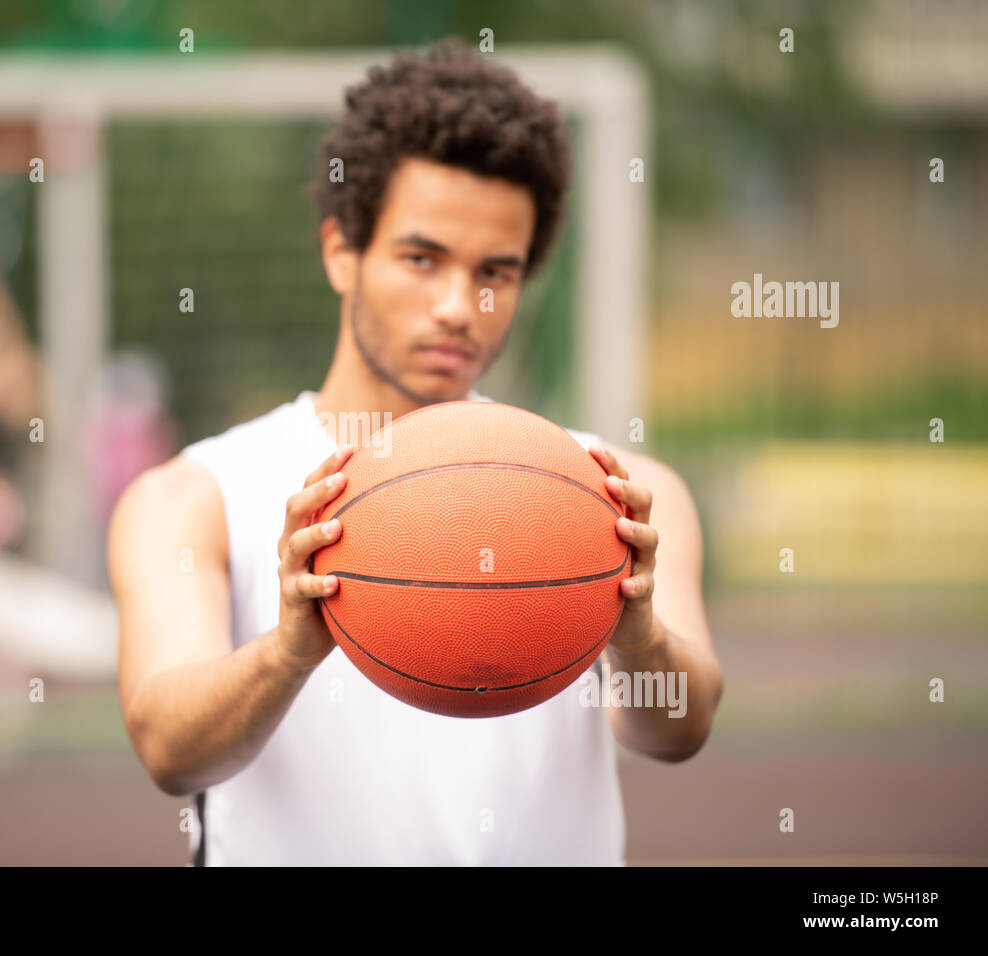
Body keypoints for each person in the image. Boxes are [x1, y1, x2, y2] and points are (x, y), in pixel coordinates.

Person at [107, 36, 723, 865]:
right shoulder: (193, 497)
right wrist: (290, 649)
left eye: (494, 272)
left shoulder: (620, 492)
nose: (457, 306)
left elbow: (677, 733)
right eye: (421, 257)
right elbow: (169, 749)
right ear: (340, 251)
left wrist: (633, 632)